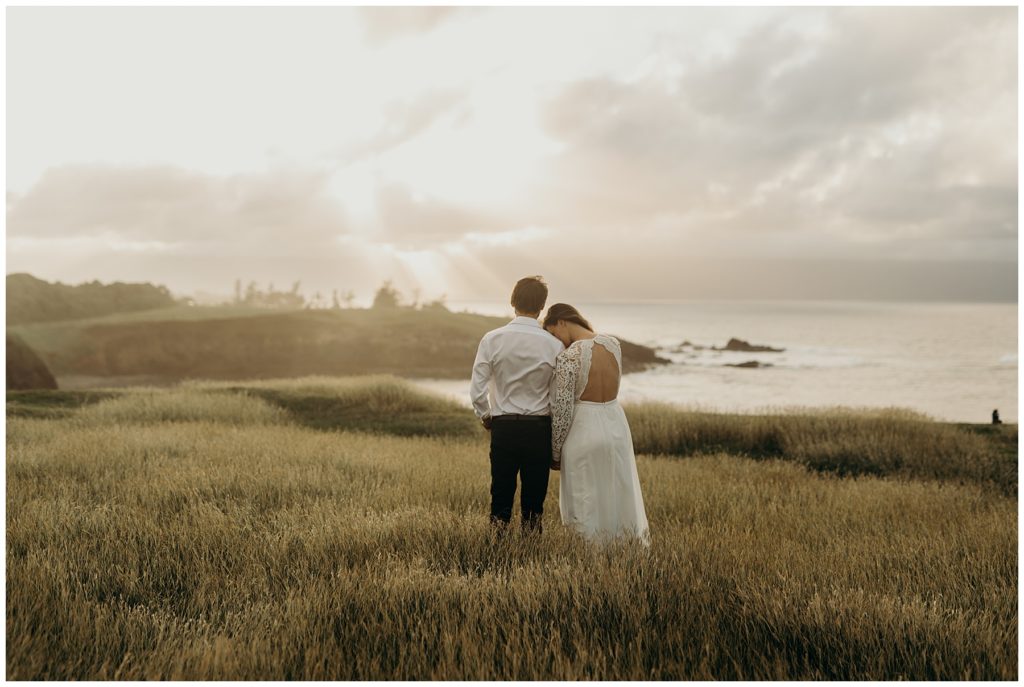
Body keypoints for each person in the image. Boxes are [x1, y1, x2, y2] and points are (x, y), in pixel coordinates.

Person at [544, 303, 650, 544]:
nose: (556, 341)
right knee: (618, 492)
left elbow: (561, 411)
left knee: (585, 498)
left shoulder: (569, 357)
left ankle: (589, 555)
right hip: (616, 424)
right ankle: (624, 548)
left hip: (584, 428)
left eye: (553, 333)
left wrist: (555, 452)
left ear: (561, 322)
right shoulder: (613, 345)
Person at [470, 276, 564, 532]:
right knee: (534, 504)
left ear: (513, 302)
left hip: (503, 426)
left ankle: (497, 552)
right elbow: (556, 399)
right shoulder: (555, 345)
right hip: (539, 429)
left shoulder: (492, 339)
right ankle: (530, 553)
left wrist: (486, 415)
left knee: (500, 496)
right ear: (542, 307)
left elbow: (477, 388)